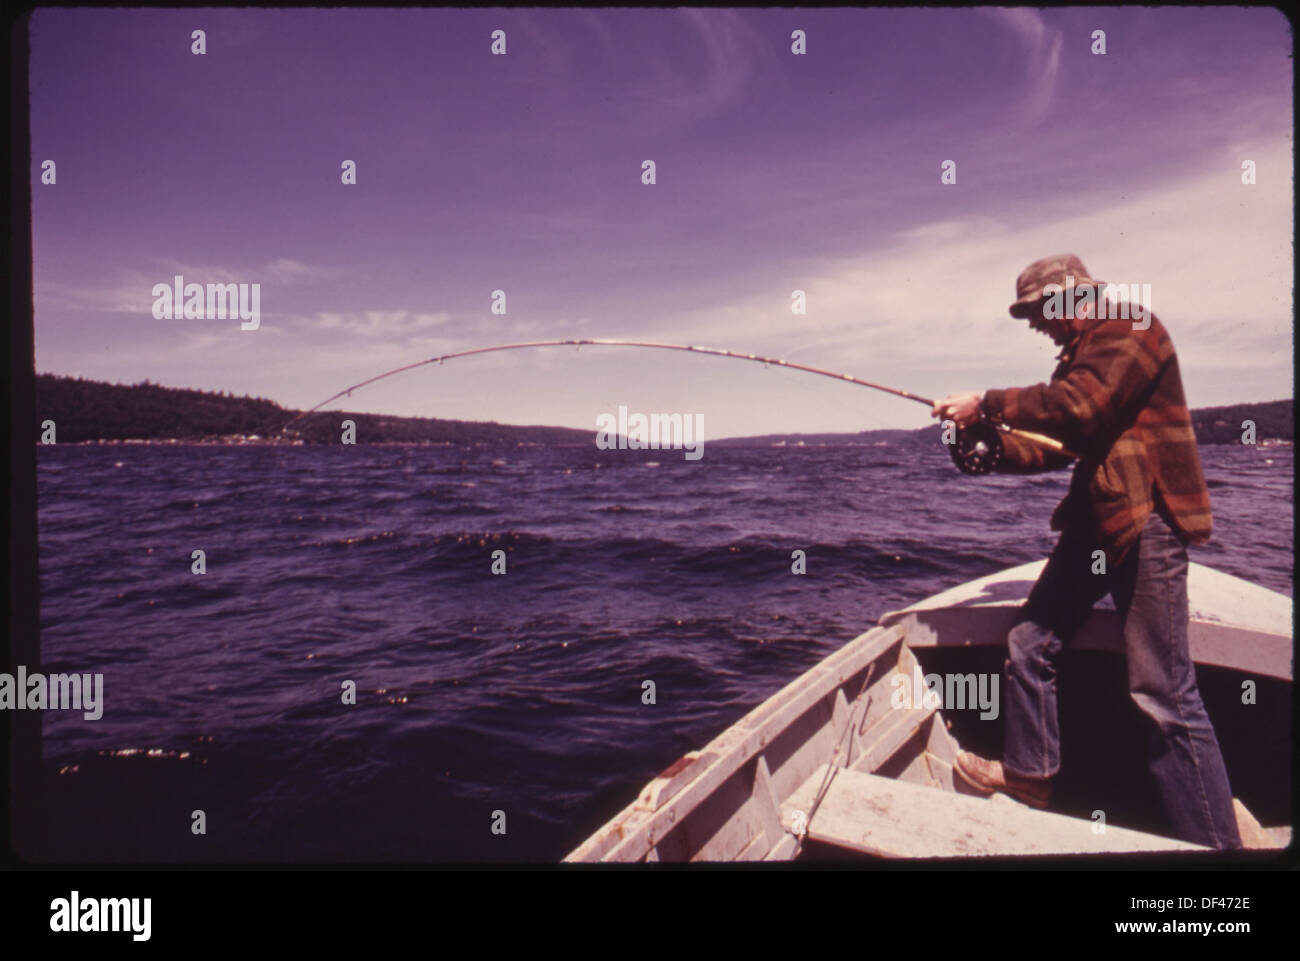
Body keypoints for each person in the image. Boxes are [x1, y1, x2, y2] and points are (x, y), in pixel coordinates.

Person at [930, 254, 1242, 850]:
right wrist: (989, 446)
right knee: (1030, 642)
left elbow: (1079, 407)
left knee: (1163, 694)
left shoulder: (1132, 328)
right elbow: (1058, 443)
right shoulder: (1083, 358)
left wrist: (986, 403)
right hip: (1099, 523)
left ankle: (1217, 846)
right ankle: (1030, 776)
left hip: (1148, 522)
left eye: (1037, 311)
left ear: (1070, 294)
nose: (1035, 324)